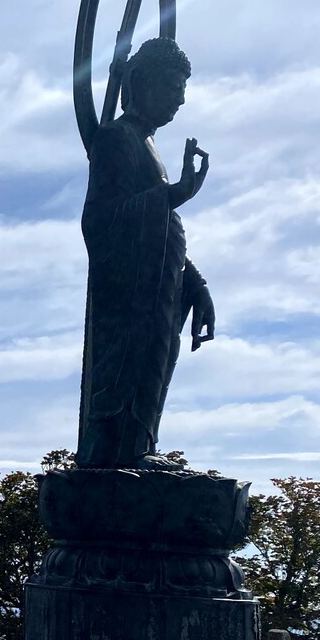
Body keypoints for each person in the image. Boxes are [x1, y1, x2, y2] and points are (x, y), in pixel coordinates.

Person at [77, 36, 215, 470]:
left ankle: (139, 447)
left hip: (159, 289)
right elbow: (101, 218)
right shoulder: (115, 139)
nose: (179, 100)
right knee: (127, 365)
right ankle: (112, 452)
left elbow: (161, 228)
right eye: (171, 88)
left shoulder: (148, 145)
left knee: (157, 363)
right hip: (129, 295)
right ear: (139, 82)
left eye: (182, 91)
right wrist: (173, 194)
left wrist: (194, 284)